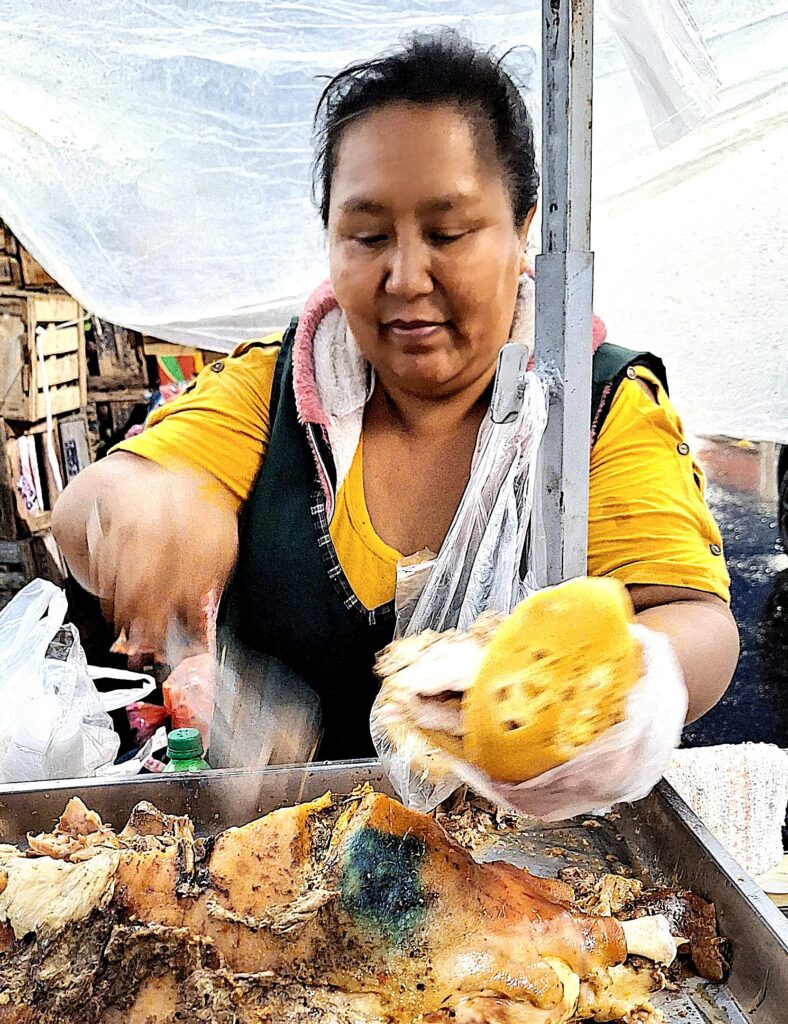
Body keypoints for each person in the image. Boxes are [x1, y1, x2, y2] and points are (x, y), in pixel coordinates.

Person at [53, 32, 739, 766]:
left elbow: (693, 619)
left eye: (448, 232)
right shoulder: (275, 391)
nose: (406, 276)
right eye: (368, 235)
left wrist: (622, 690)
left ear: (523, 229)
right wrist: (133, 514)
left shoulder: (598, 406)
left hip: (519, 857)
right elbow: (89, 510)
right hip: (273, 858)